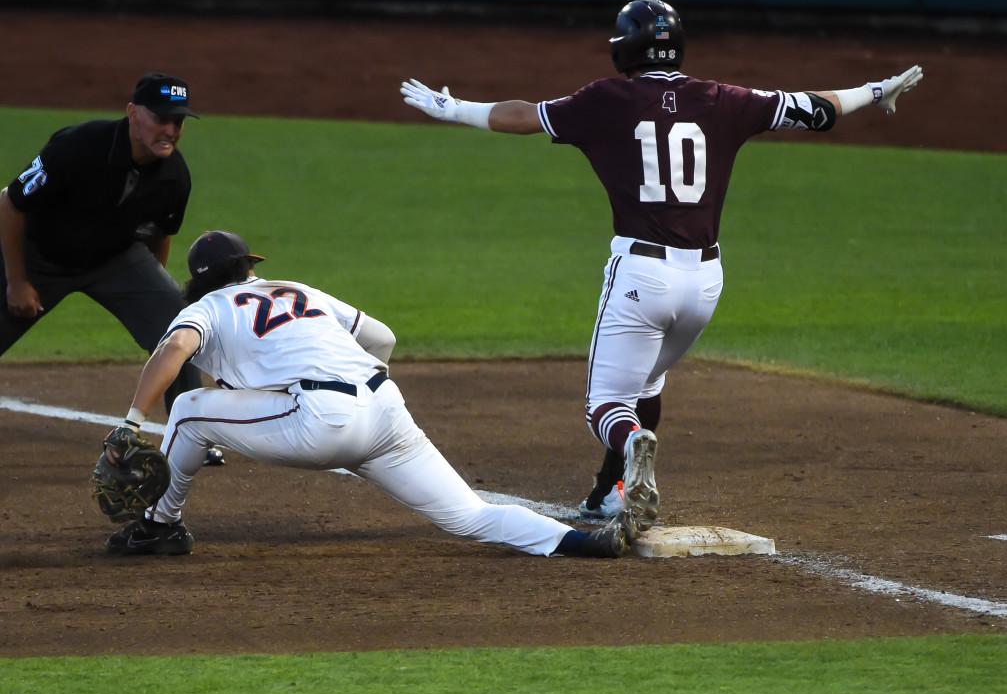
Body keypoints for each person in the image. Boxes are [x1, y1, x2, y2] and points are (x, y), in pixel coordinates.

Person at [401, 0, 924, 537]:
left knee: (605, 406)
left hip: (642, 277)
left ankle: (632, 444)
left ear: (624, 49)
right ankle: (611, 490)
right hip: (705, 284)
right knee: (647, 382)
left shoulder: (607, 100)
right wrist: (876, 90)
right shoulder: (724, 99)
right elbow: (816, 110)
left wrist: (453, 107)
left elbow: (524, 116)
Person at [101, 230, 630, 559]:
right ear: (249, 269)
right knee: (469, 515)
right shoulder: (299, 291)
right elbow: (383, 338)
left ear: (197, 282)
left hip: (319, 422)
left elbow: (174, 350)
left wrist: (131, 421)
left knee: (188, 411)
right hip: (386, 411)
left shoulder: (207, 307)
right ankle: (585, 542)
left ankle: (159, 526)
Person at [1, 73, 221, 465]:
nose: (171, 130)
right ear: (133, 114)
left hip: (115, 259)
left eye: (178, 121)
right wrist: (17, 280)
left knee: (180, 326)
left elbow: (159, 234)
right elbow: (11, 204)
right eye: (161, 118)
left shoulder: (174, 175)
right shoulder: (78, 147)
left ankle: (190, 437)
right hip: (38, 256)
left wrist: (152, 296)